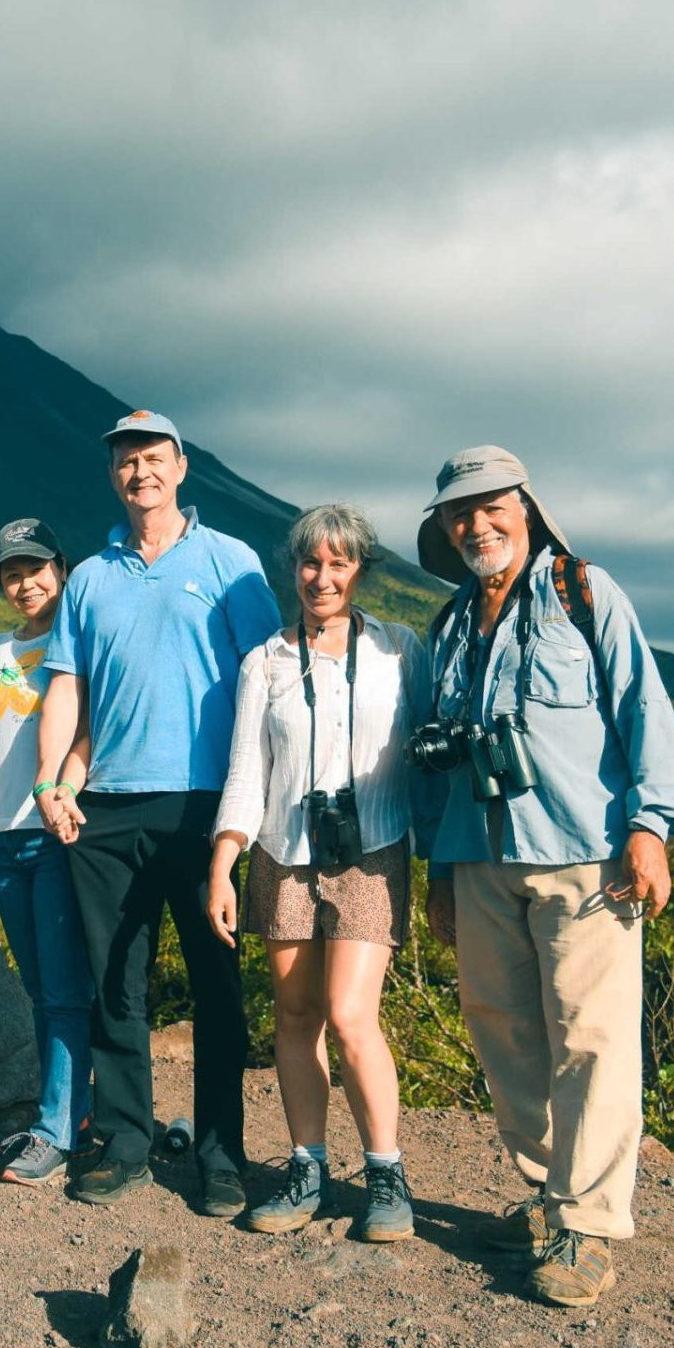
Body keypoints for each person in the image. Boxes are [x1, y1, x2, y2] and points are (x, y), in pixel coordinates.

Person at [416, 447, 674, 1307]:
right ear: (446, 529)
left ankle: (590, 1223)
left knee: (590, 1036)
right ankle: (549, 1198)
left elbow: (643, 705)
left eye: (492, 506)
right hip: (479, 857)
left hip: (587, 854)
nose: (477, 525)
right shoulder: (449, 626)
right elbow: (438, 764)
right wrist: (438, 869)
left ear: (526, 510)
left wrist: (652, 828)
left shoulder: (583, 591)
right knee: (503, 1031)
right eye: (460, 514)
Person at [35, 410, 279, 1214]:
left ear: (180, 467)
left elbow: (268, 679)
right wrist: (50, 782)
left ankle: (221, 1156)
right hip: (103, 808)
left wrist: (257, 802)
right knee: (116, 984)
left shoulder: (231, 561)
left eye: (151, 458)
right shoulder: (89, 578)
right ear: (113, 476)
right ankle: (125, 1142)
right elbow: (65, 684)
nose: (138, 472)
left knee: (216, 988)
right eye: (124, 461)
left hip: (205, 807)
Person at [207, 503, 433, 1241]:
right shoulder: (266, 661)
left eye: (339, 563)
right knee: (295, 1015)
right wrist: (224, 864)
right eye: (311, 562)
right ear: (294, 567)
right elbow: (248, 770)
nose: (322, 577)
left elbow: (431, 754)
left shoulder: (399, 651)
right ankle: (307, 1167)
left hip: (373, 850)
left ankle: (386, 1174)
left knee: (349, 1014)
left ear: (361, 569)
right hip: (282, 852)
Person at [0, 519, 95, 1187]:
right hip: (4, 837)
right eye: (12, 574)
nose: (25, 584)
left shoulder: (77, 644)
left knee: (65, 987)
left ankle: (56, 1129)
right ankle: (67, 1113)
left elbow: (88, 733)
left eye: (36, 569)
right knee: (40, 987)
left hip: (54, 832)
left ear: (61, 568)